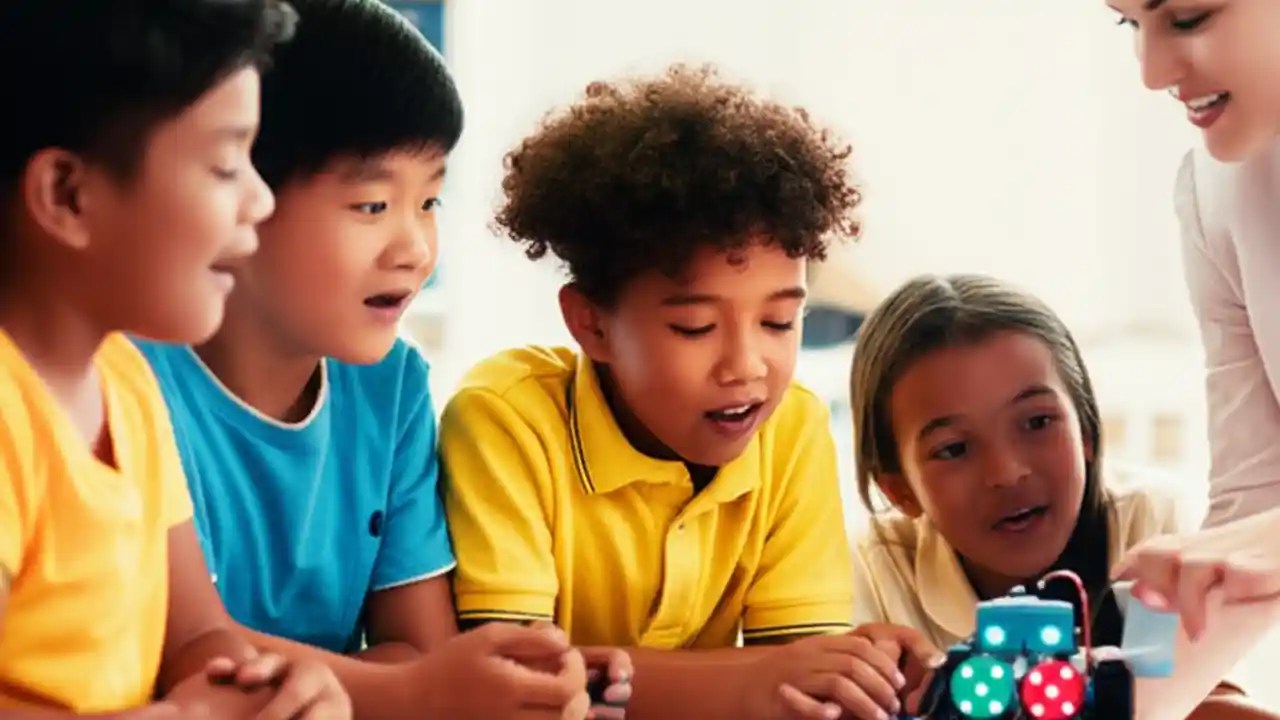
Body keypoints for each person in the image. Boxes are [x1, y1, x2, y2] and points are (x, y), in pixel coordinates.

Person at [132, 1, 599, 718]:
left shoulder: (392, 386)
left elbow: (418, 645)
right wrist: (411, 689)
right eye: (373, 206)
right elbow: (186, 649)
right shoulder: (134, 380)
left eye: (431, 201)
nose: (414, 249)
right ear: (241, 194)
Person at [438, 63, 943, 720]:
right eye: (695, 327)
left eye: (779, 322)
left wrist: (852, 670)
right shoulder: (508, 419)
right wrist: (752, 680)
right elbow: (518, 684)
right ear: (591, 323)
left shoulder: (791, 429)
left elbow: (798, 675)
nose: (746, 367)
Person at [0, 0, 351, 716]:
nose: (259, 200)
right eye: (225, 165)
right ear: (67, 195)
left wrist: (265, 691)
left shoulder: (125, 378)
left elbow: (194, 634)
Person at [845, 273, 1279, 718]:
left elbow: (1209, 701)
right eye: (954, 449)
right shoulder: (874, 570)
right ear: (899, 489)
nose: (1007, 472)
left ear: (1086, 430)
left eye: (1037, 422)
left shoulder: (1149, 527)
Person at [1103, 0, 1280, 639]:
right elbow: (1253, 499)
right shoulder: (1216, 191)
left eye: (1187, 17)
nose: (1151, 74)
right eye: (1128, 23)